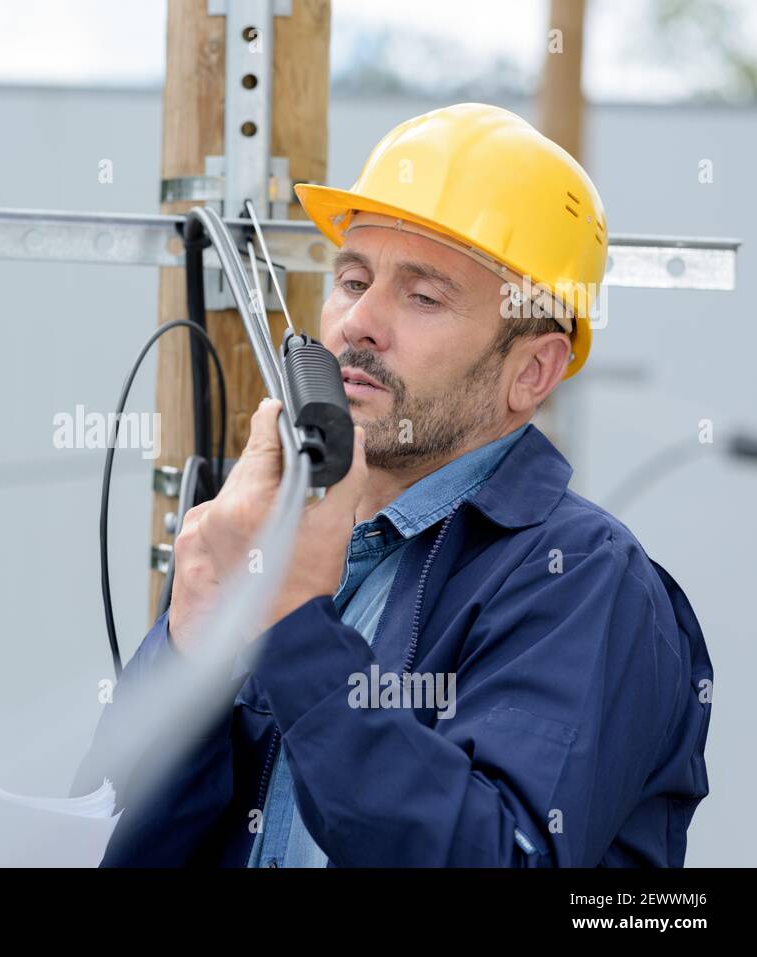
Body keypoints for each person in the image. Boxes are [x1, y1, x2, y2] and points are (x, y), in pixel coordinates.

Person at [76, 103, 713, 867]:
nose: (358, 323)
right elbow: (103, 839)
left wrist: (294, 627)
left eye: (423, 295)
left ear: (531, 371)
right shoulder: (285, 545)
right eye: (351, 279)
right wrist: (189, 643)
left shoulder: (583, 579)